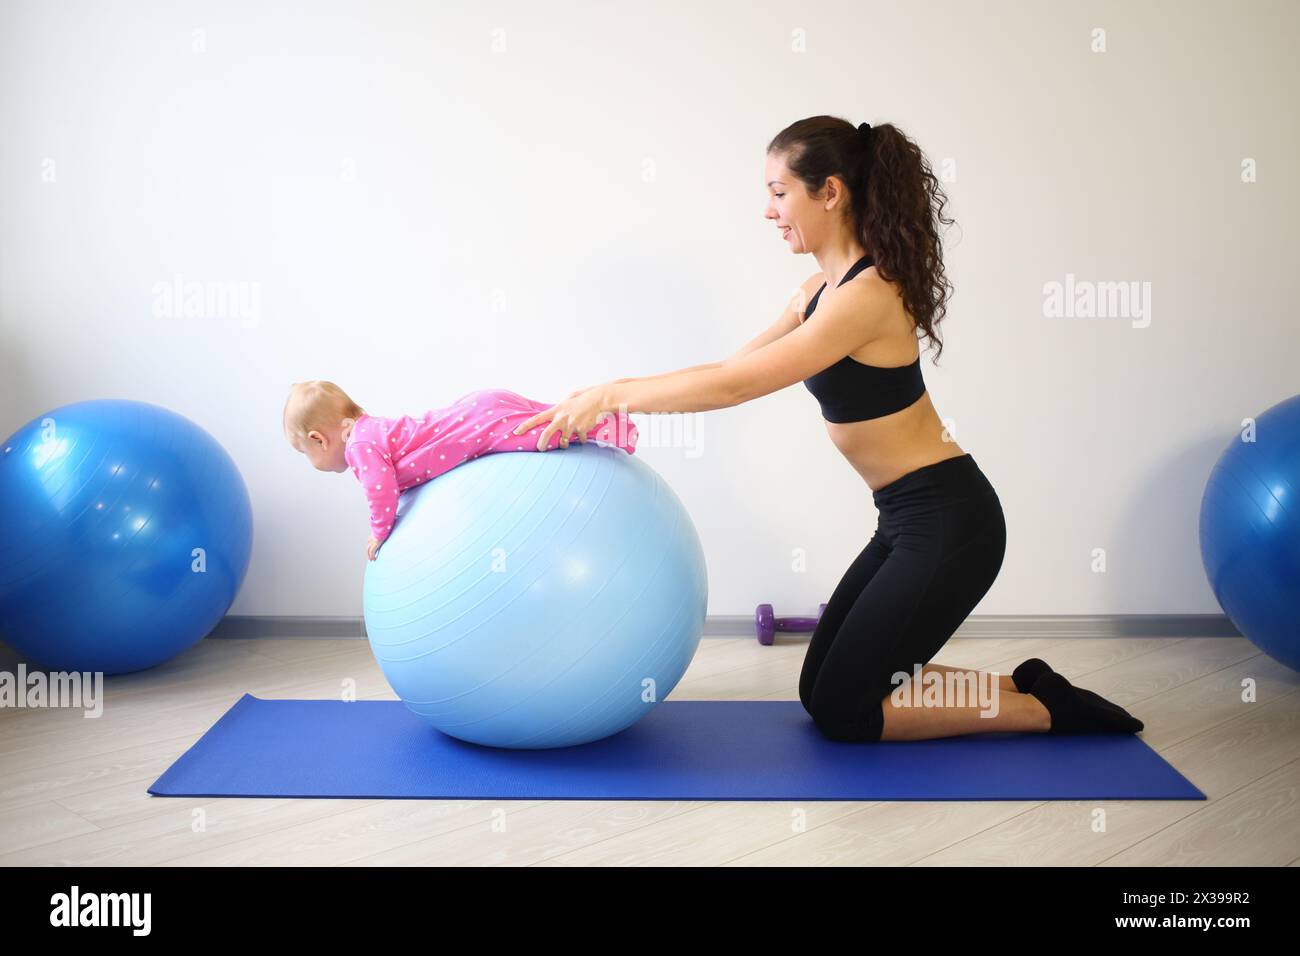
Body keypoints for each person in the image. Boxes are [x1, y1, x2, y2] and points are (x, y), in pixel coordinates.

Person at [513, 115, 1143, 742]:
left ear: (830, 192)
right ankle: (1022, 685)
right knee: (819, 688)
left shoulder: (866, 297)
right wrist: (608, 392)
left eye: (779, 193)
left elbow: (737, 389)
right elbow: (731, 367)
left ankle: (1046, 713)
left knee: (848, 710)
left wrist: (614, 398)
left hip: (953, 523)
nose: (768, 211)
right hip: (902, 519)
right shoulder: (817, 290)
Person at [283, 381, 637, 560]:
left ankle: (605, 425)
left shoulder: (360, 445)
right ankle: (592, 414)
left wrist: (380, 532)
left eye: (303, 453)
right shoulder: (368, 430)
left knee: (541, 436)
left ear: (319, 440)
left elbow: (380, 489)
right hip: (480, 409)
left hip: (479, 424)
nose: (309, 460)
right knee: (541, 420)